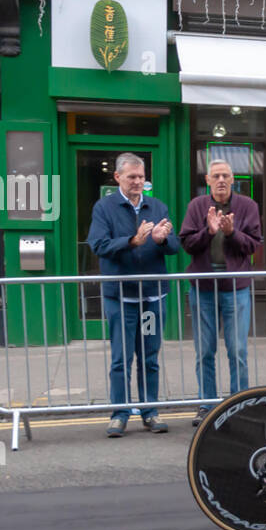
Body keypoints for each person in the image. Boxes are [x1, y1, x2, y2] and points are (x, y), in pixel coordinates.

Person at [87, 153, 181, 437]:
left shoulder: (157, 206)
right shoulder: (104, 207)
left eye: (141, 176)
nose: (138, 181)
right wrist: (132, 241)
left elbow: (175, 247)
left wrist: (162, 240)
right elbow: (98, 244)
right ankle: (120, 413)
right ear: (118, 178)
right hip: (121, 298)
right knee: (121, 358)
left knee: (149, 357)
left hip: (152, 298)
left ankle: (150, 412)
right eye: (132, 177)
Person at [179, 159, 264, 427]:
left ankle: (239, 403)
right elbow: (187, 244)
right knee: (204, 350)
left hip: (234, 288)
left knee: (237, 350)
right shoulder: (196, 206)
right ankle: (207, 404)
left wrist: (231, 233)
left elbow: (253, 245)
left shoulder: (248, 206)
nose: (221, 180)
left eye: (225, 175)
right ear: (207, 180)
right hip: (203, 288)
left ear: (233, 178)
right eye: (216, 176)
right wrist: (209, 231)